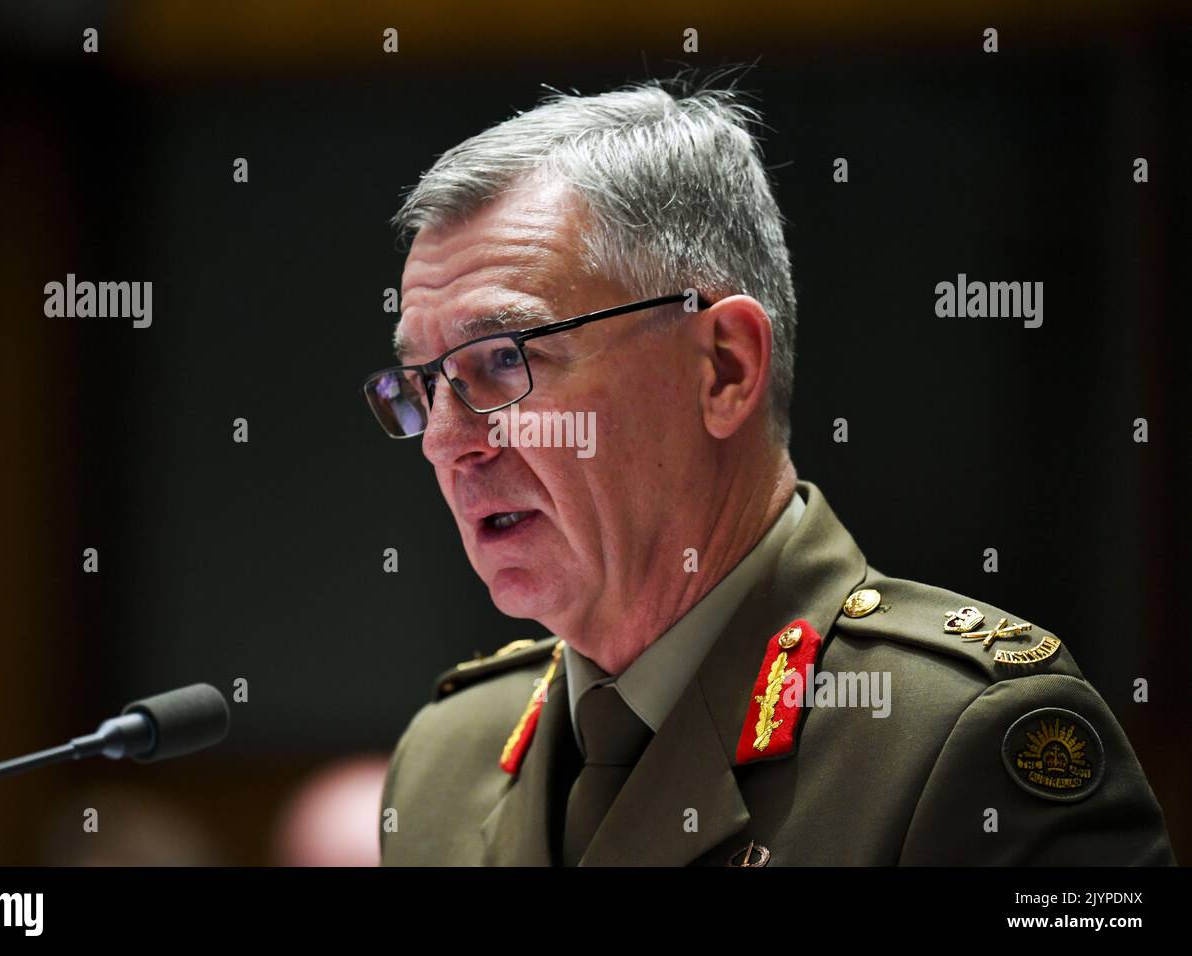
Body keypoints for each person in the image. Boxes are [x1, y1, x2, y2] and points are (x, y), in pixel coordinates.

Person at [361, 78, 1175, 866]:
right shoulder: (444, 763)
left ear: (723, 369)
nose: (443, 440)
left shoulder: (961, 740)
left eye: (504, 359)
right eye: (423, 384)